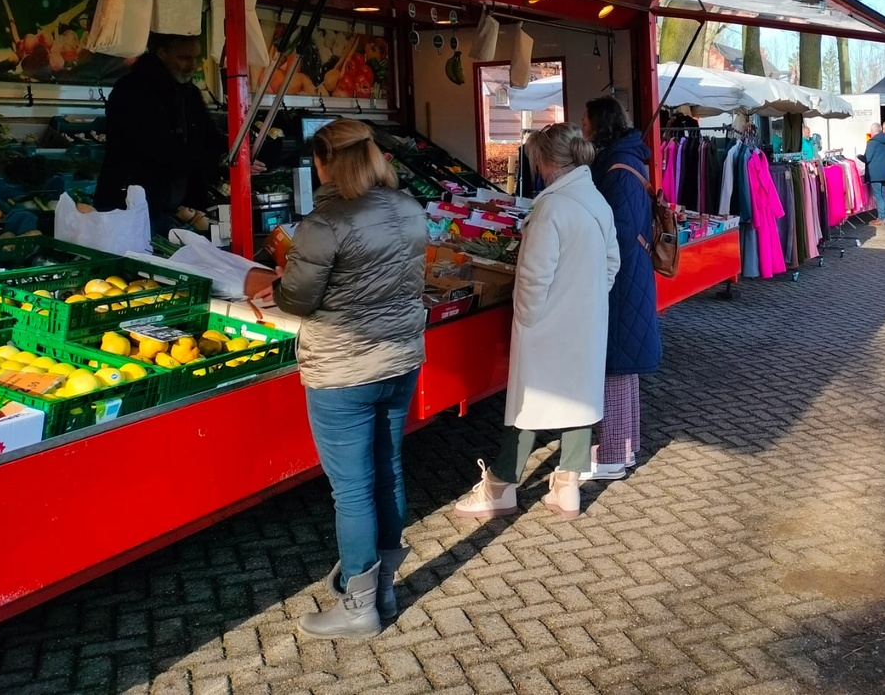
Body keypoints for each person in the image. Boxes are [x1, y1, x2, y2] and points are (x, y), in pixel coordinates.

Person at [267, 118, 427, 640]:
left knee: (353, 492)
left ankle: (359, 607)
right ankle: (383, 590)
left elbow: (296, 299)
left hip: (342, 373)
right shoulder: (408, 209)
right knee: (390, 472)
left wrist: (277, 280)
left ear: (324, 161)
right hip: (401, 360)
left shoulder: (323, 223)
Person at [455, 124, 620, 523]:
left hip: (547, 324)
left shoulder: (551, 207)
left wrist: (527, 321)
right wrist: (589, 297)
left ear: (545, 162)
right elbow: (612, 262)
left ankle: (500, 485)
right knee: (578, 397)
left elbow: (532, 277)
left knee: (528, 404)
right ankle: (567, 487)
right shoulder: (595, 199)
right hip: (585, 320)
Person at [582, 97, 661, 481]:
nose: (582, 126)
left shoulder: (614, 167)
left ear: (599, 125)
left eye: (585, 120)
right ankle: (626, 446)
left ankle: (612, 453)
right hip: (633, 274)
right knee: (624, 366)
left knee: (613, 363)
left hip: (621, 278)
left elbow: (620, 231)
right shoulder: (628, 158)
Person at [94, 32, 228, 235]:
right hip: (133, 206)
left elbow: (208, 134)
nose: (192, 66)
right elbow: (155, 148)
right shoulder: (131, 91)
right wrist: (210, 159)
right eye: (184, 58)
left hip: (175, 205)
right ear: (162, 53)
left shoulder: (189, 93)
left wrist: (236, 153)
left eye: (195, 59)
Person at [862, 123, 885, 224]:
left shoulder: (872, 142)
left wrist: (859, 156)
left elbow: (867, 158)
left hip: (875, 174)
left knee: (878, 196)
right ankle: (883, 216)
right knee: (882, 195)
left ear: (873, 131)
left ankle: (882, 218)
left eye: (871, 131)